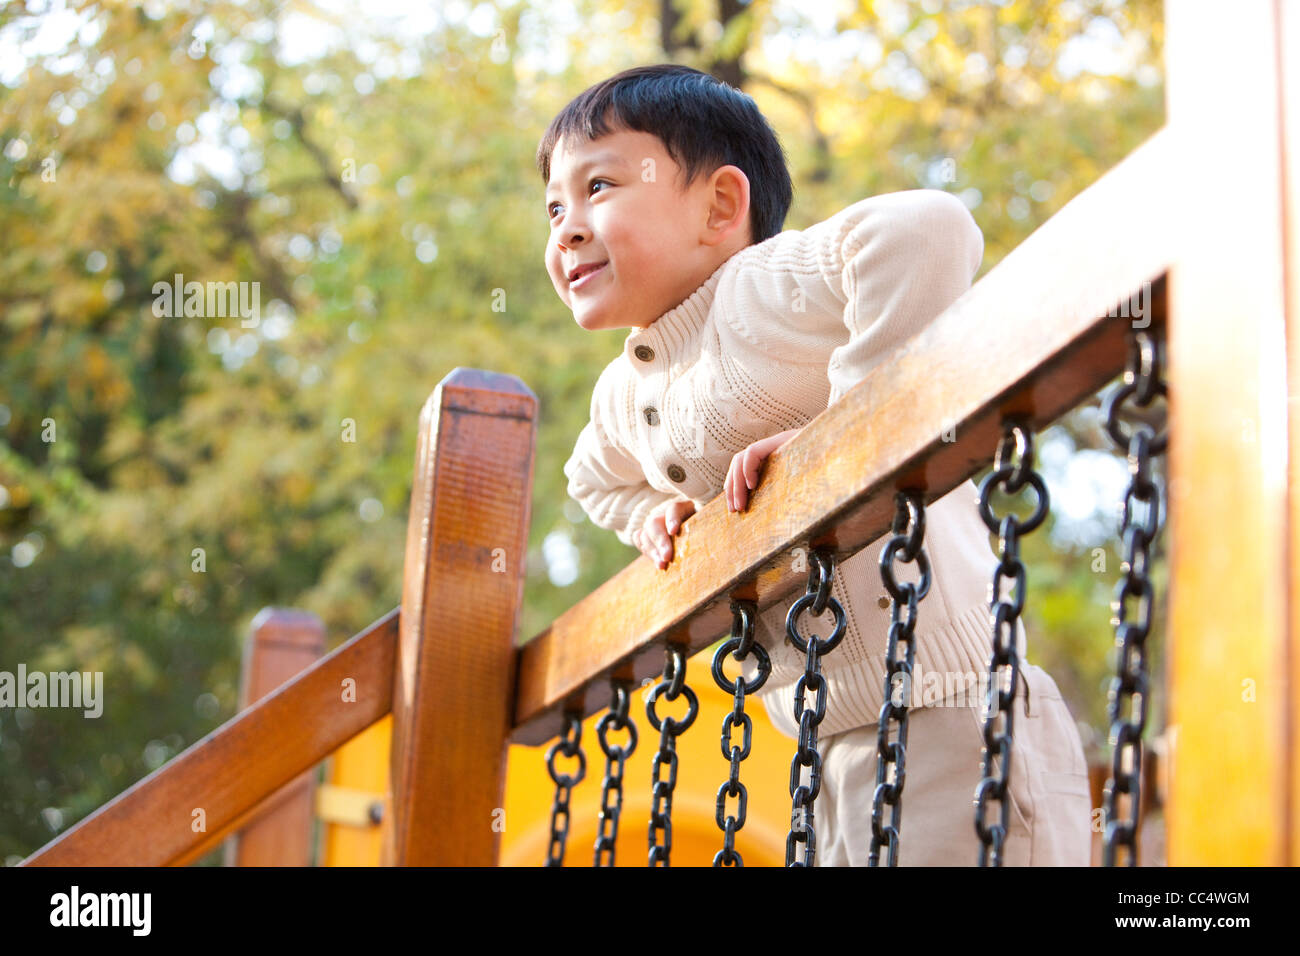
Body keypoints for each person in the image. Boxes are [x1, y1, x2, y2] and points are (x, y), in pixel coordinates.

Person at [543, 63, 1092, 866]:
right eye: (554, 206)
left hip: (954, 707)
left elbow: (926, 230)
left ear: (721, 206)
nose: (566, 226)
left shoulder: (762, 288)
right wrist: (651, 513)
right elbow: (591, 477)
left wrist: (847, 424)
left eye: (600, 187)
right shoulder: (621, 393)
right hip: (824, 743)